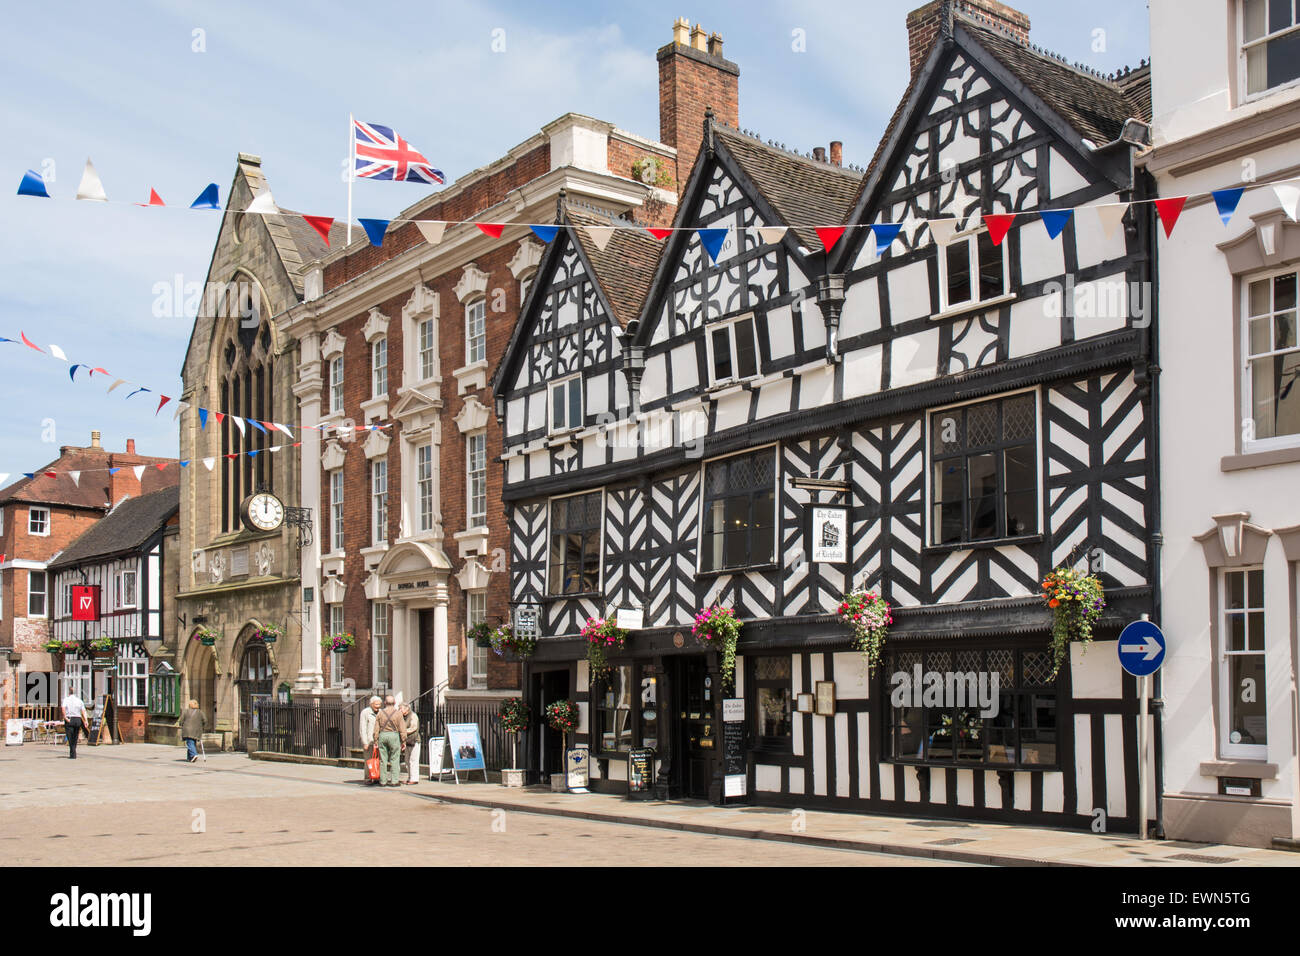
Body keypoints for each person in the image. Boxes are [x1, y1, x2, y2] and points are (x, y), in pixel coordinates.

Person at [374, 695, 405, 787]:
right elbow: (402, 728)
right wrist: (403, 740)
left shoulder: (380, 713)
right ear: (394, 703)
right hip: (394, 735)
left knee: (383, 760)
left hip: (382, 734)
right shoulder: (398, 713)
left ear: (385, 703)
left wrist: (376, 739)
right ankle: (394, 780)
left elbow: (376, 728)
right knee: (394, 759)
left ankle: (383, 781)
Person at [359, 696, 381, 785]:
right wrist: (365, 742)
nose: (378, 706)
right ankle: (368, 778)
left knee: (378, 760)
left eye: (379, 704)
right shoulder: (365, 712)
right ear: (371, 704)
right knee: (369, 760)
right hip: (369, 740)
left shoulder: (381, 712)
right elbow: (362, 728)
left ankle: (376, 777)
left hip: (378, 741)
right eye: (376, 705)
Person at [60, 689, 87, 759]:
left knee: (70, 736)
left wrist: (65, 717)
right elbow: (83, 711)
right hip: (78, 719)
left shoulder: (66, 700)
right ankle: (73, 752)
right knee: (75, 736)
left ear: (69, 693)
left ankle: (72, 752)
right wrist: (86, 720)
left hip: (70, 718)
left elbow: (63, 709)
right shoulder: (79, 700)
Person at [401, 702, 420, 785]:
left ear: (406, 709)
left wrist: (403, 731)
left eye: (400, 709)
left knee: (413, 760)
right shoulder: (403, 717)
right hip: (407, 741)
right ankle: (409, 777)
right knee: (407, 760)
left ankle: (414, 778)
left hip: (414, 740)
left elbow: (413, 727)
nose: (399, 710)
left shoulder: (413, 716)